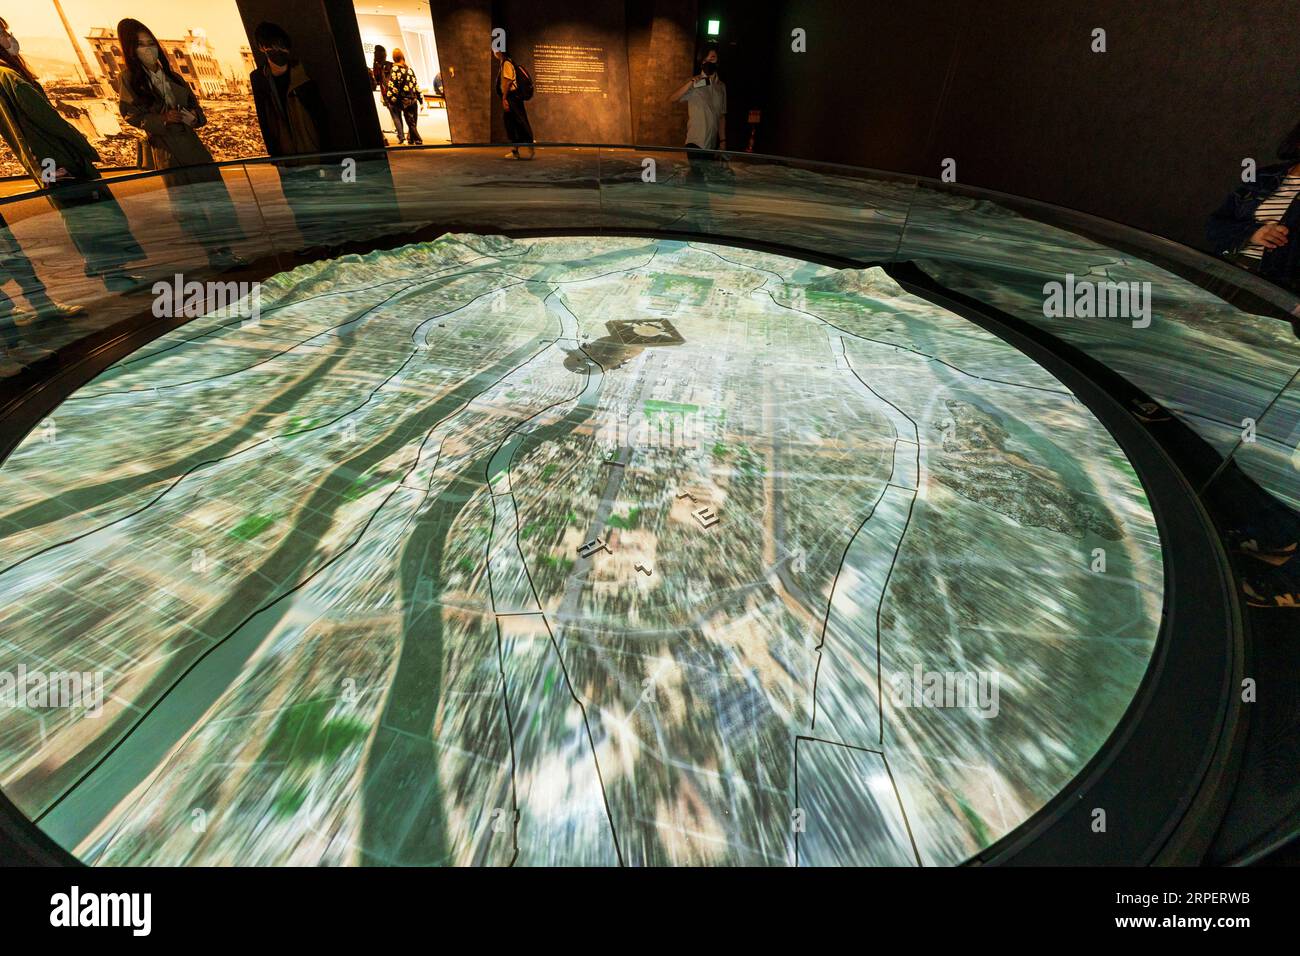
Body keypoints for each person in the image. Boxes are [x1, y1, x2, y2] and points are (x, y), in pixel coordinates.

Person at [0, 16, 145, 298]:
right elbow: (45, 122)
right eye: (3, 32)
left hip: (49, 163)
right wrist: (77, 150)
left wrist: (44, 167)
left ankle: (107, 269)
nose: (9, 37)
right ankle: (112, 275)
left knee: (82, 216)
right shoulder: (9, 76)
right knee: (94, 216)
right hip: (58, 160)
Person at [115, 19, 245, 270]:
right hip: (169, 150)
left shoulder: (173, 76)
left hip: (192, 145)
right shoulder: (131, 79)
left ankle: (226, 250)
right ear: (131, 49)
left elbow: (198, 109)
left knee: (213, 198)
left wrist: (193, 117)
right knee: (191, 206)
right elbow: (131, 114)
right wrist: (161, 120)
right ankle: (214, 254)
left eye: (150, 43)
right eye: (141, 45)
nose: (148, 49)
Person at [1207, 121, 1300, 294]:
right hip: (1226, 271)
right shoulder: (1263, 176)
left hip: (1279, 291)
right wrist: (1251, 233)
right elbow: (1214, 226)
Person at [250, 22, 325, 158]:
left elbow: (320, 115)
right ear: (262, 48)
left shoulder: (302, 73)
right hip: (284, 149)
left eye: (282, 48)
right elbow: (264, 119)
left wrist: (327, 153)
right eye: (272, 48)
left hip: (311, 145)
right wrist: (274, 154)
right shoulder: (259, 78)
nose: (279, 53)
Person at [669, 46, 727, 177]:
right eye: (707, 58)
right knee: (697, 175)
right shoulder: (695, 83)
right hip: (695, 140)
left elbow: (722, 116)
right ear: (702, 62)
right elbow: (672, 98)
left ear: (717, 62)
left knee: (703, 178)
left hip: (711, 142)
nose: (710, 61)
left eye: (713, 58)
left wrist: (723, 141)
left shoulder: (721, 87)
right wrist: (690, 83)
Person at [493, 47, 534, 160]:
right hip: (512, 98)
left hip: (512, 98)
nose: (494, 53)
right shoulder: (506, 62)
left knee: (518, 122)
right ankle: (516, 150)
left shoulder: (506, 63)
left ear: (500, 52)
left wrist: (504, 99)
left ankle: (529, 146)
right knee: (513, 123)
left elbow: (508, 82)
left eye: (495, 50)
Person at [383, 49, 422, 146]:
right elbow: (415, 85)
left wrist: (390, 98)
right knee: (413, 121)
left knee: (408, 121)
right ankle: (411, 139)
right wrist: (420, 99)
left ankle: (417, 140)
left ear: (394, 58)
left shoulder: (395, 70)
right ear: (402, 57)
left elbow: (393, 86)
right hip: (413, 99)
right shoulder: (410, 69)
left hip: (404, 100)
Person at [371, 45, 402, 144]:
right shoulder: (390, 64)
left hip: (387, 93)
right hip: (395, 92)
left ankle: (401, 136)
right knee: (398, 114)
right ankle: (402, 134)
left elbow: (377, 80)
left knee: (394, 115)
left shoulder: (377, 66)